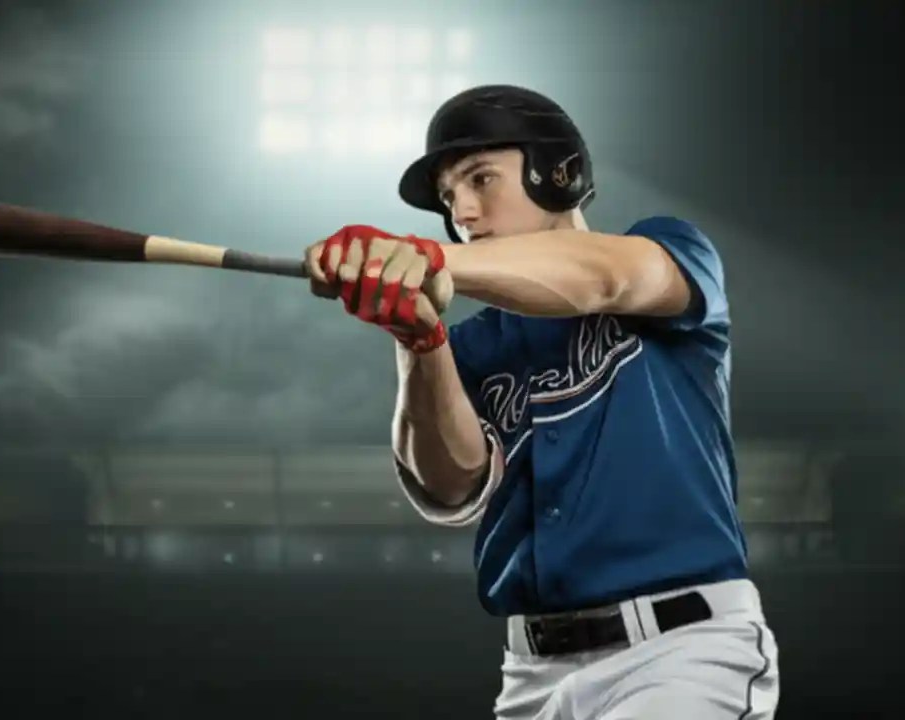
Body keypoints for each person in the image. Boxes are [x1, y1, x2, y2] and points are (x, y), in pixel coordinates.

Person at [303, 84, 780, 719]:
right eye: (449, 199)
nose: (463, 213)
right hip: (530, 676)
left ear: (557, 173)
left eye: (481, 179)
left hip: (678, 653)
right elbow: (449, 490)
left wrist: (426, 257)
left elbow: (605, 277)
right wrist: (416, 338)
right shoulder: (468, 346)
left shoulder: (666, 248)